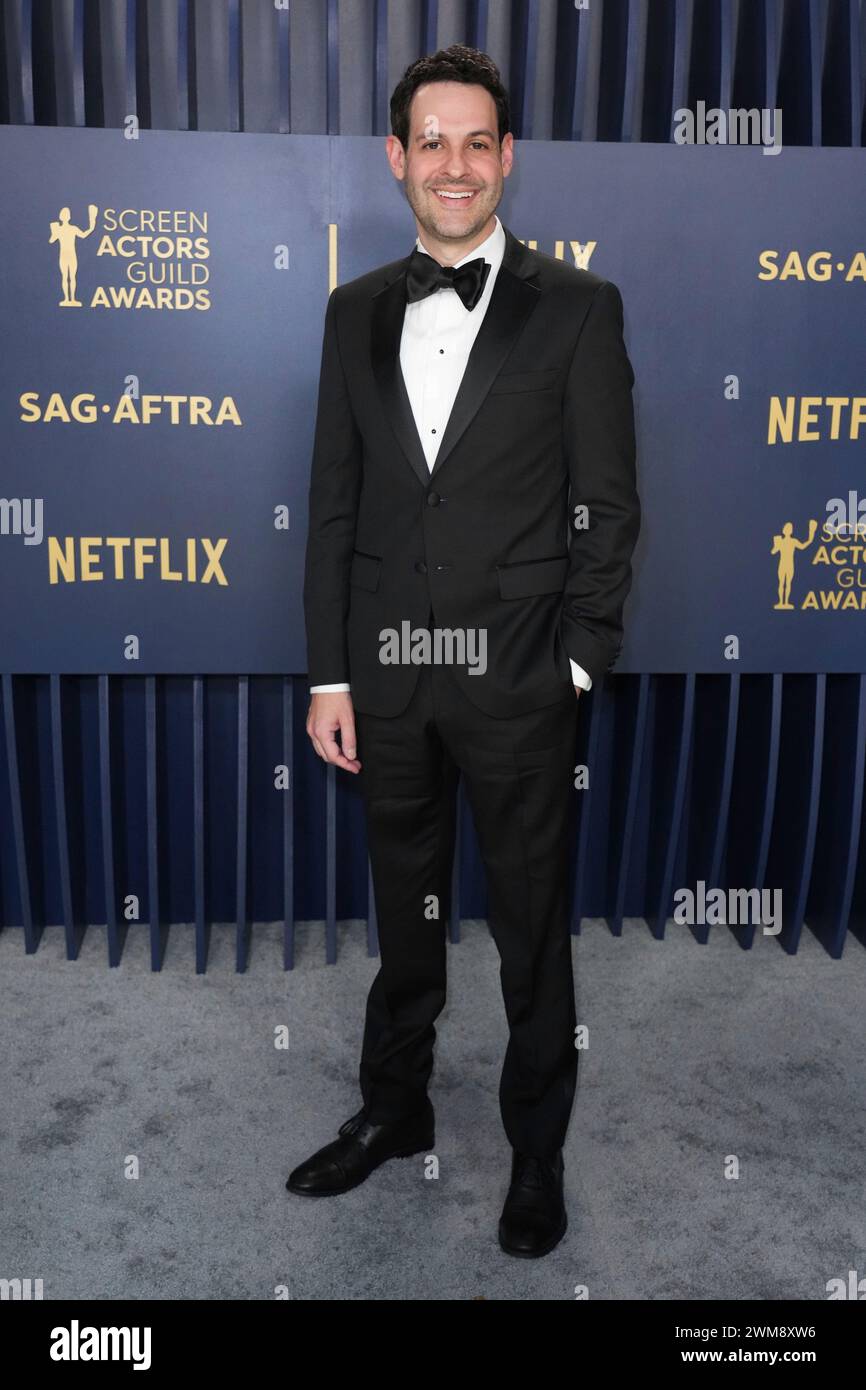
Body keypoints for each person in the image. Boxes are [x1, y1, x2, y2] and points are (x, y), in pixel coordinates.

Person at [288, 43, 640, 1259]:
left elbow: (608, 503)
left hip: (523, 684)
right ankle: (392, 1107)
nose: (453, 163)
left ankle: (534, 1149)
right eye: (429, 141)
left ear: (505, 159)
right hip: (384, 679)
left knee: (533, 927)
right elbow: (333, 503)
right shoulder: (349, 313)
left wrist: (578, 661)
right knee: (404, 913)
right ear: (396, 159)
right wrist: (330, 673)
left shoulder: (579, 308)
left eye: (475, 141)